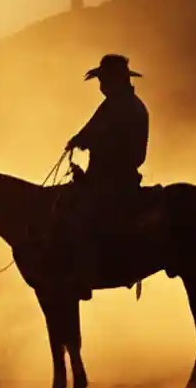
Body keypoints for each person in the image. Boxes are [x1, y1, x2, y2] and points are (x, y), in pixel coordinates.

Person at [63, 54, 149, 299]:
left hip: (114, 180)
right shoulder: (119, 104)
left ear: (116, 81)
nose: (101, 86)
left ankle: (84, 275)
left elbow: (109, 140)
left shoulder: (122, 108)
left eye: (104, 80)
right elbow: (92, 130)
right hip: (109, 176)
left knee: (80, 216)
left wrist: (86, 144)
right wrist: (80, 140)